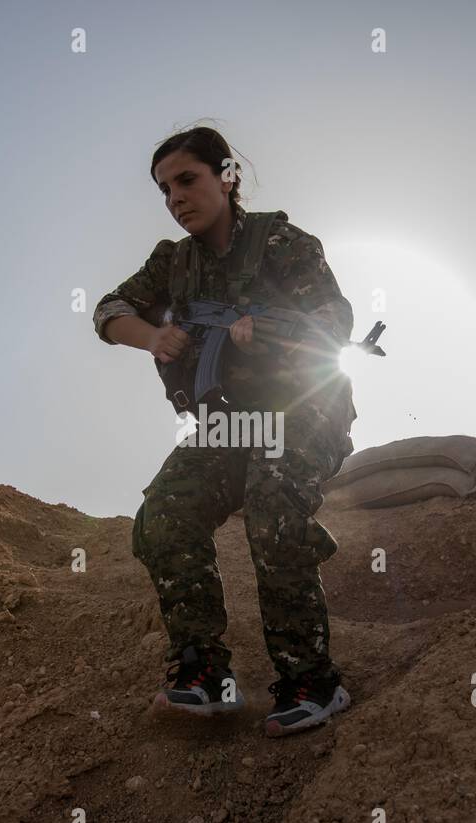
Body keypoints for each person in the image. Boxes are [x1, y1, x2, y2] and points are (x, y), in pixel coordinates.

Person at [92, 125, 358, 738]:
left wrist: (266, 330)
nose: (175, 198)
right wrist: (154, 336)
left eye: (187, 180)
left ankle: (312, 681)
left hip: (304, 406)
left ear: (227, 176)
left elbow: (333, 321)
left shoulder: (283, 243)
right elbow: (108, 311)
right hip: (229, 421)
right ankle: (204, 677)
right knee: (164, 513)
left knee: (272, 501)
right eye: (164, 189)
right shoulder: (171, 263)